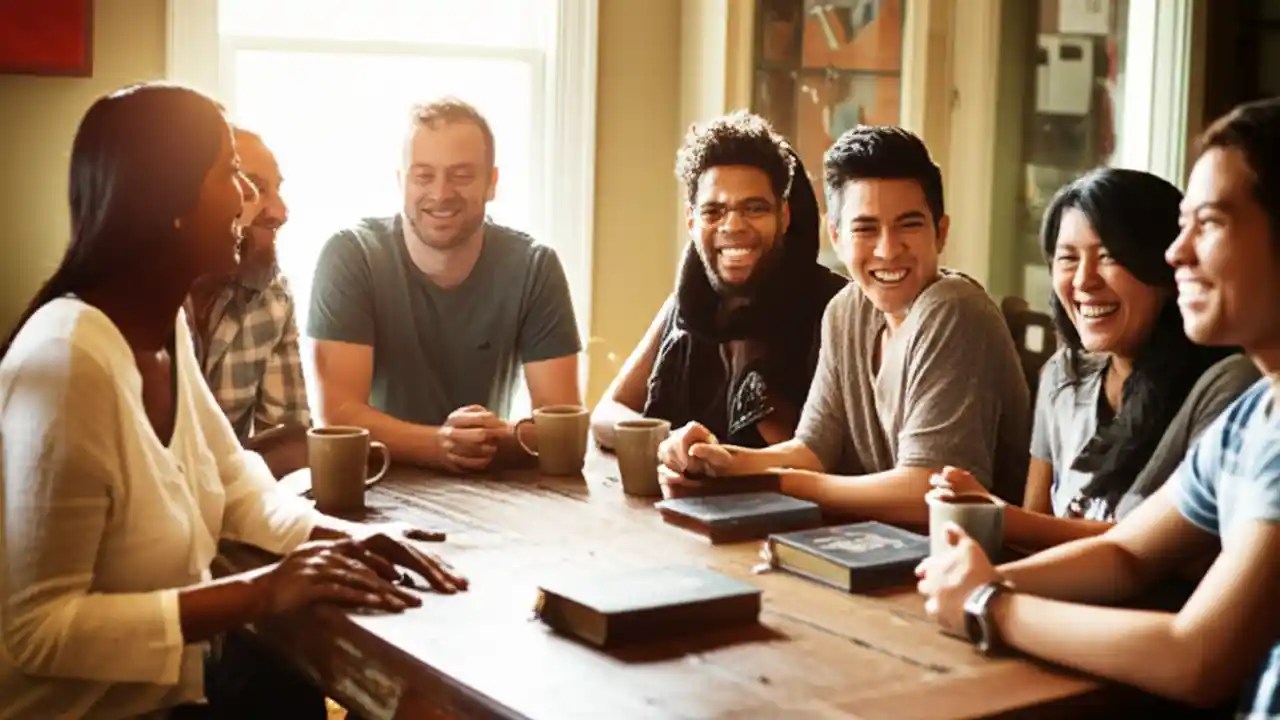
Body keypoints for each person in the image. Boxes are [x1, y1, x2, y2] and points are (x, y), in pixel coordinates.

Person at [0, 82, 466, 719]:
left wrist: (341, 538)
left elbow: (237, 485)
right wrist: (263, 591)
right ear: (170, 202)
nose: (249, 200)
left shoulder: (164, 332)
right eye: (232, 174)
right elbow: (39, 631)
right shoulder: (66, 361)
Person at [917, 98, 1280, 716]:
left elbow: (1197, 659)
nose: (1176, 253)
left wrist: (990, 604)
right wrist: (977, 578)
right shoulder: (1255, 415)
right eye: (1180, 224)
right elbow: (1127, 553)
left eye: (1210, 224)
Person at [659, 125, 1031, 523]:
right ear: (835, 237)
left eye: (908, 225)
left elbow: (927, 492)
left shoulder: (954, 309)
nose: (887, 250)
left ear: (940, 233)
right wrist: (716, 459)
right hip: (882, 551)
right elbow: (812, 452)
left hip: (972, 563)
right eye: (865, 228)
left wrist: (773, 482)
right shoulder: (846, 310)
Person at [943, 168, 1260, 551]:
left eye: (1109, 256)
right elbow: (1036, 530)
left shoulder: (1229, 386)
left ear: (1165, 265)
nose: (1083, 281)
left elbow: (1175, 550)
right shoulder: (1062, 375)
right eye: (1067, 259)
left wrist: (998, 517)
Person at [308, 98, 581, 474]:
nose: (440, 194)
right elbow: (337, 418)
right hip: (378, 483)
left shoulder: (535, 266)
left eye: (461, 175)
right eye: (423, 175)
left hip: (490, 485)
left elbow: (562, 430)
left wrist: (487, 438)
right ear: (401, 181)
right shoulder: (351, 255)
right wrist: (439, 445)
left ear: (492, 183)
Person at [590, 111, 846, 450]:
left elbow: (829, 457)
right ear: (691, 221)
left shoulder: (838, 308)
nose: (733, 227)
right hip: (675, 499)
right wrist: (669, 442)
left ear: (784, 216)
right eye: (714, 211)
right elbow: (607, 413)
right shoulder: (686, 305)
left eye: (754, 209)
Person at [185, 126, 311, 477]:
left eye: (277, 189)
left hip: (236, 511)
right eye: (253, 187)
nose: (280, 212)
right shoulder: (139, 305)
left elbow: (292, 448)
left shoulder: (272, 297)